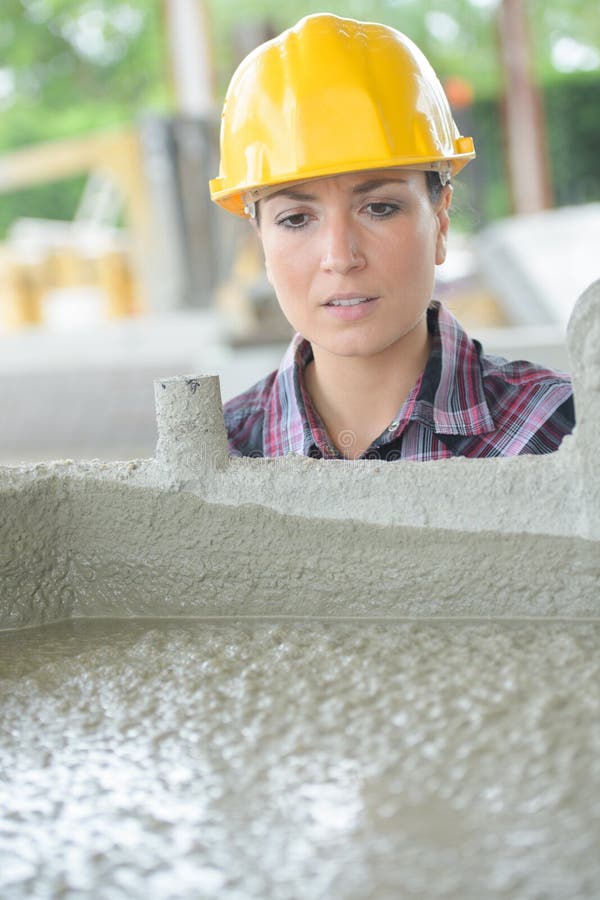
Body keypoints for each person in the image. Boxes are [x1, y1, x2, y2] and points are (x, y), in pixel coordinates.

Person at [209, 13, 574, 460]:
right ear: (260, 239)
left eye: (379, 208)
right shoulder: (221, 455)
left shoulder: (563, 433)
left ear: (441, 221)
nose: (340, 257)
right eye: (297, 219)